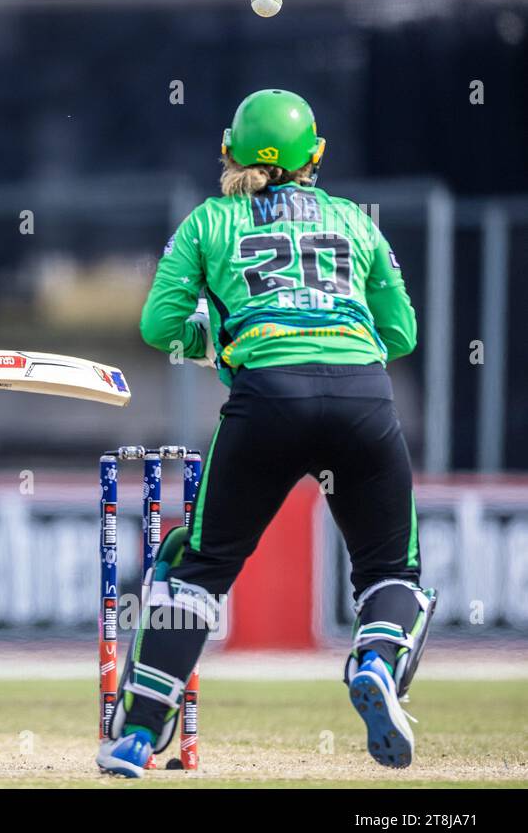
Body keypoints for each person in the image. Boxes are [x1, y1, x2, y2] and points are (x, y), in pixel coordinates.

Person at [99, 89, 435, 776]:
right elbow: (402, 332)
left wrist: (219, 339)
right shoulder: (354, 220)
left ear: (228, 152)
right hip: (362, 397)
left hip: (267, 399)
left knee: (198, 571)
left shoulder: (208, 222)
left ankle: (136, 735)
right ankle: (374, 660)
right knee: (390, 572)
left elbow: (157, 328)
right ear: (317, 155)